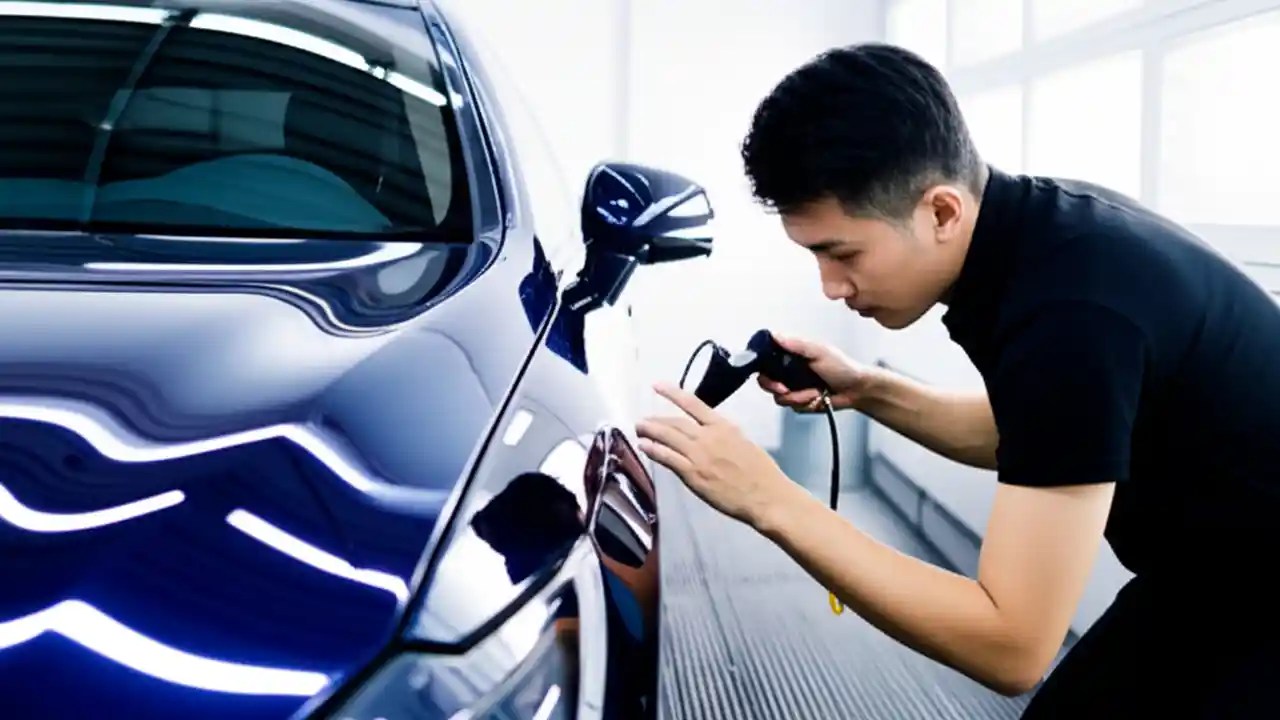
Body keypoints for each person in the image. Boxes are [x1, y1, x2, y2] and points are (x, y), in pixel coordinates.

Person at [635, 42, 1280, 717]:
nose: (829, 288)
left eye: (841, 253)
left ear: (941, 211)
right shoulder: (1036, 235)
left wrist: (769, 499)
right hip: (1215, 574)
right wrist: (868, 390)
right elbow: (1039, 432)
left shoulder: (1071, 310)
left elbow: (1011, 645)